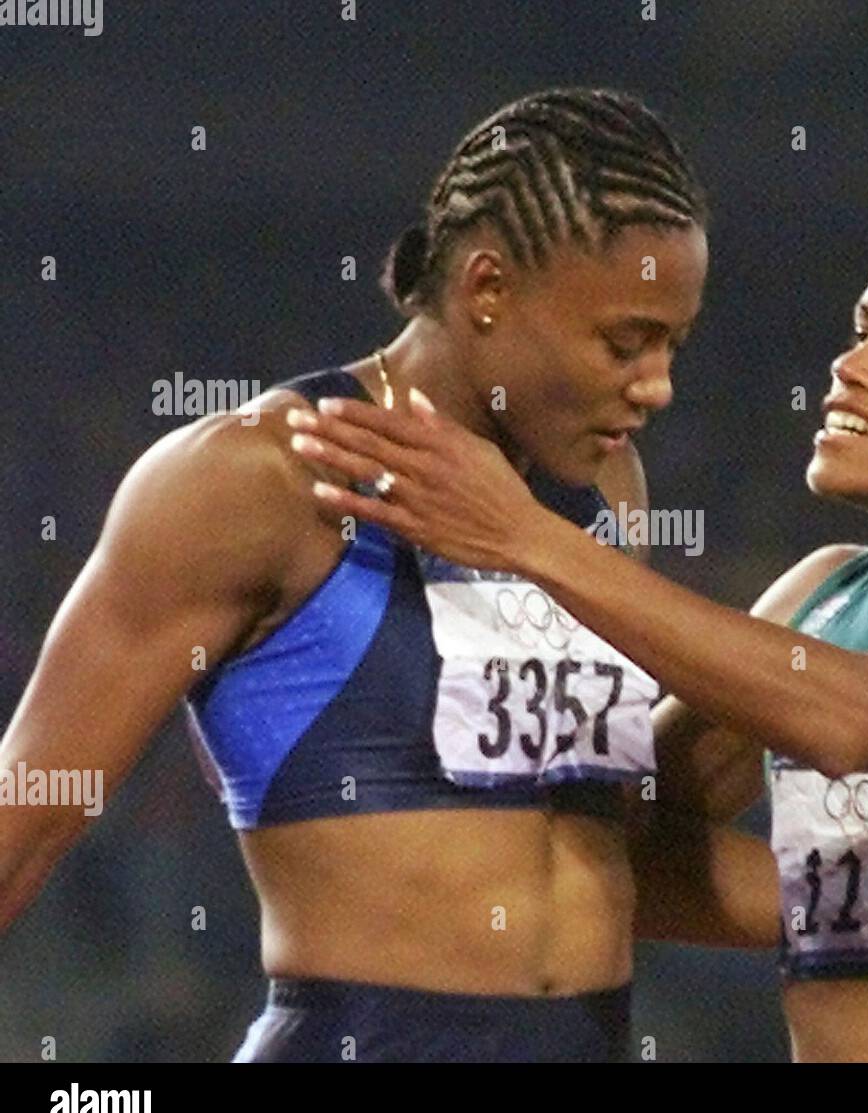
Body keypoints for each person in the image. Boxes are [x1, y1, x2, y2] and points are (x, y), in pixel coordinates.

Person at [294, 204, 868, 1061]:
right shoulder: (815, 598)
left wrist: (528, 538)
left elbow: (861, 715)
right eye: (860, 329)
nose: (852, 366)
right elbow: (618, 844)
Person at [0, 87, 709, 1061]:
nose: (657, 384)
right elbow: (24, 818)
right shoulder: (258, 479)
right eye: (624, 341)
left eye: (674, 342)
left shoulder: (606, 484)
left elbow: (594, 849)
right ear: (488, 289)